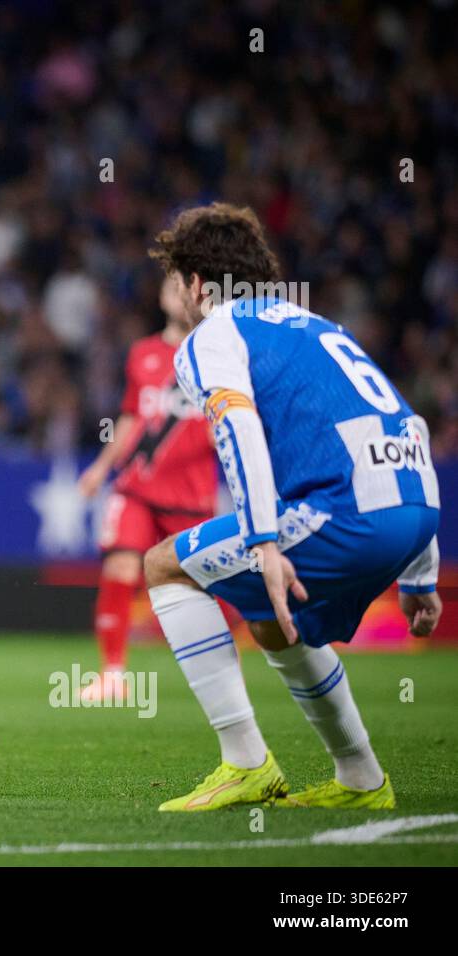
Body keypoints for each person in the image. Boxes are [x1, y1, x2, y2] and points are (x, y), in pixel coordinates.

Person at [142, 203, 442, 811]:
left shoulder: (211, 337)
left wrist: (264, 542)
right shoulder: (318, 326)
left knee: (163, 565)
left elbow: (239, 428)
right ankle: (361, 780)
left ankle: (244, 762)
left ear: (198, 285)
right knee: (272, 619)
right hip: (418, 506)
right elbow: (404, 424)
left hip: (350, 514)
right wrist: (421, 572)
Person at [77, 275, 217, 701]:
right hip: (137, 486)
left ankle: (217, 671)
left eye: (187, 286)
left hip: (191, 493)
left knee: (196, 583)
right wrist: (101, 469)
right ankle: (112, 674)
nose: (177, 293)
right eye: (170, 285)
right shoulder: (143, 354)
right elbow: (132, 418)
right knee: (120, 566)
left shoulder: (218, 353)